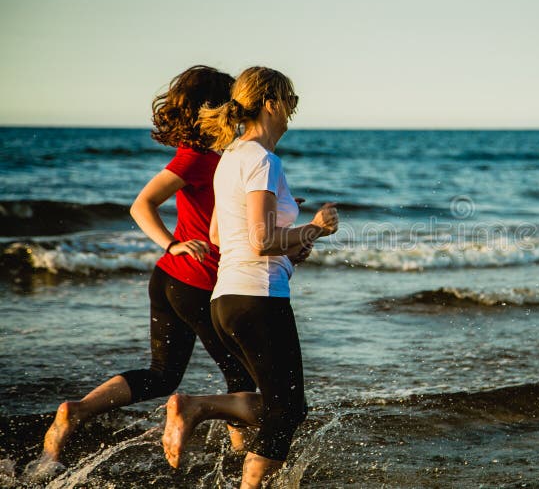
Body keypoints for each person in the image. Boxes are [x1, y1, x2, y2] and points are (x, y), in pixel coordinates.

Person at [42, 66, 311, 463]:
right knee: (245, 379)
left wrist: (279, 213)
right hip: (199, 281)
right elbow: (142, 204)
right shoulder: (204, 158)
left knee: (162, 374)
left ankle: (77, 410)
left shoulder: (225, 157)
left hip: (170, 280)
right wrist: (173, 243)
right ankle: (237, 455)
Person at [160, 66, 338, 488]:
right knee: (288, 411)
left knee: (277, 404)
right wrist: (315, 227)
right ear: (273, 103)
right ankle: (198, 410)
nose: (292, 112)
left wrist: (292, 247)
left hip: (227, 299)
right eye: (291, 102)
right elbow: (260, 240)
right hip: (258, 297)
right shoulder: (262, 159)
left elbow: (219, 234)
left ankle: (199, 408)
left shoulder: (231, 159)